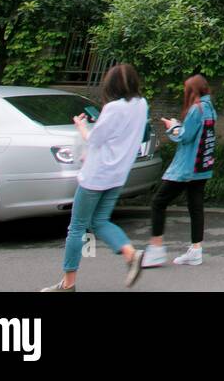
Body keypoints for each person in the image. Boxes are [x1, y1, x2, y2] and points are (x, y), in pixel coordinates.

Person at [43, 63, 149, 292]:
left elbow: (94, 139)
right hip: (118, 175)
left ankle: (68, 283)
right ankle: (131, 254)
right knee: (100, 221)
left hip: (96, 175)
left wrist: (81, 125)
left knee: (77, 227)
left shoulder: (114, 108)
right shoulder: (142, 104)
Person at [142, 74, 216, 268]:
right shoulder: (210, 109)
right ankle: (196, 250)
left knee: (158, 202)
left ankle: (156, 249)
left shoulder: (196, 109)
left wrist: (172, 126)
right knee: (195, 207)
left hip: (187, 168)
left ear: (192, 91)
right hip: (203, 166)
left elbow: (184, 137)